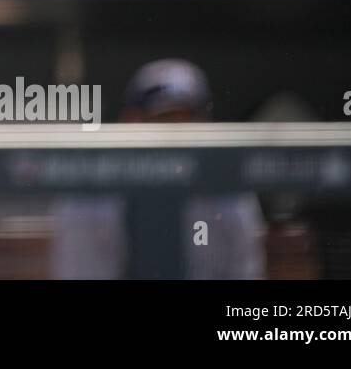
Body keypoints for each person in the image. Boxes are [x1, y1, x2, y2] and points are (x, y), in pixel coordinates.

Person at [50, 59, 267, 279]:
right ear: (130, 122)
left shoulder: (229, 194)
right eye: (162, 121)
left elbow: (244, 274)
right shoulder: (92, 198)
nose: (174, 134)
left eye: (184, 120)